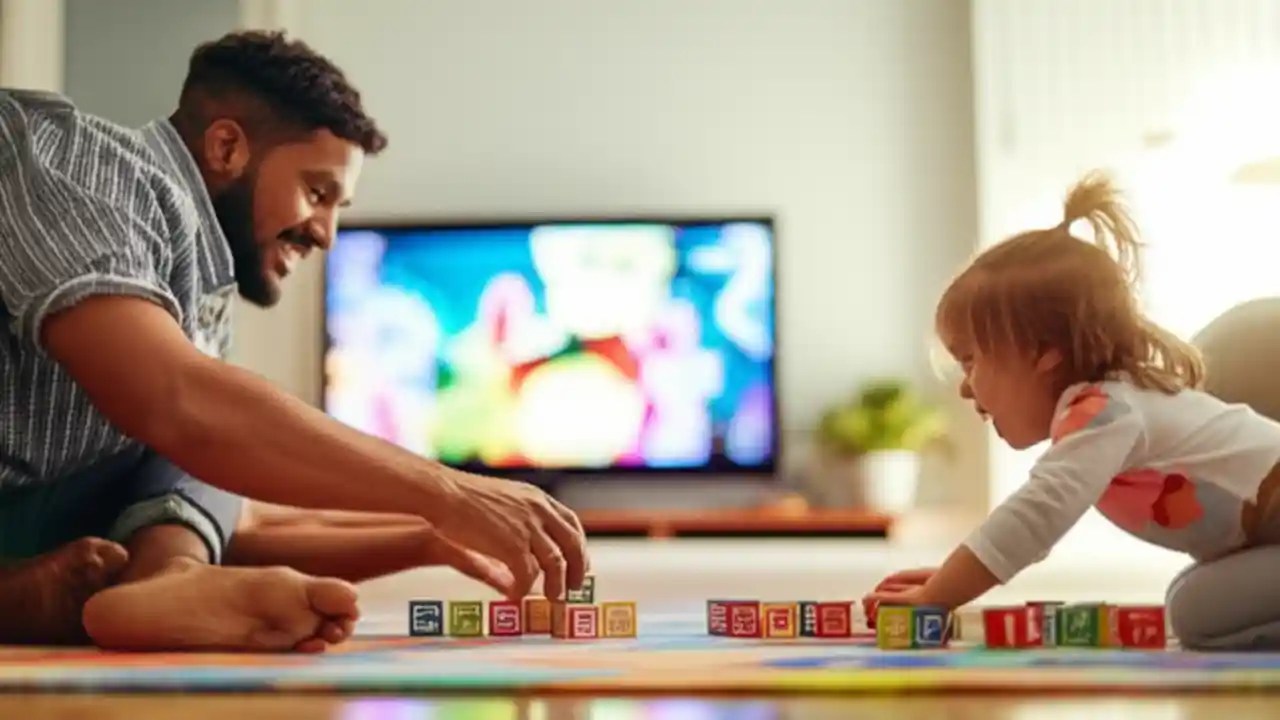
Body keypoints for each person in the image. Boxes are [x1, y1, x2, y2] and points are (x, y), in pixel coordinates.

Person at [0, 29, 588, 652]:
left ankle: (166, 579)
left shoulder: (191, 289)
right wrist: (449, 491)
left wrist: (425, 535)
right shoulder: (77, 167)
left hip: (40, 510)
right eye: (317, 192)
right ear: (226, 146)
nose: (327, 234)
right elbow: (176, 401)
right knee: (218, 413)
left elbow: (230, 514)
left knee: (227, 425)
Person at [863, 171, 1280, 650]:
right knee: (1191, 601)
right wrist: (947, 580)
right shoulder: (1110, 409)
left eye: (971, 360)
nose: (963, 388)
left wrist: (940, 593)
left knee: (1198, 615)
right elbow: (1033, 520)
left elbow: (1035, 516)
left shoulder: (1106, 411)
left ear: (1044, 351)